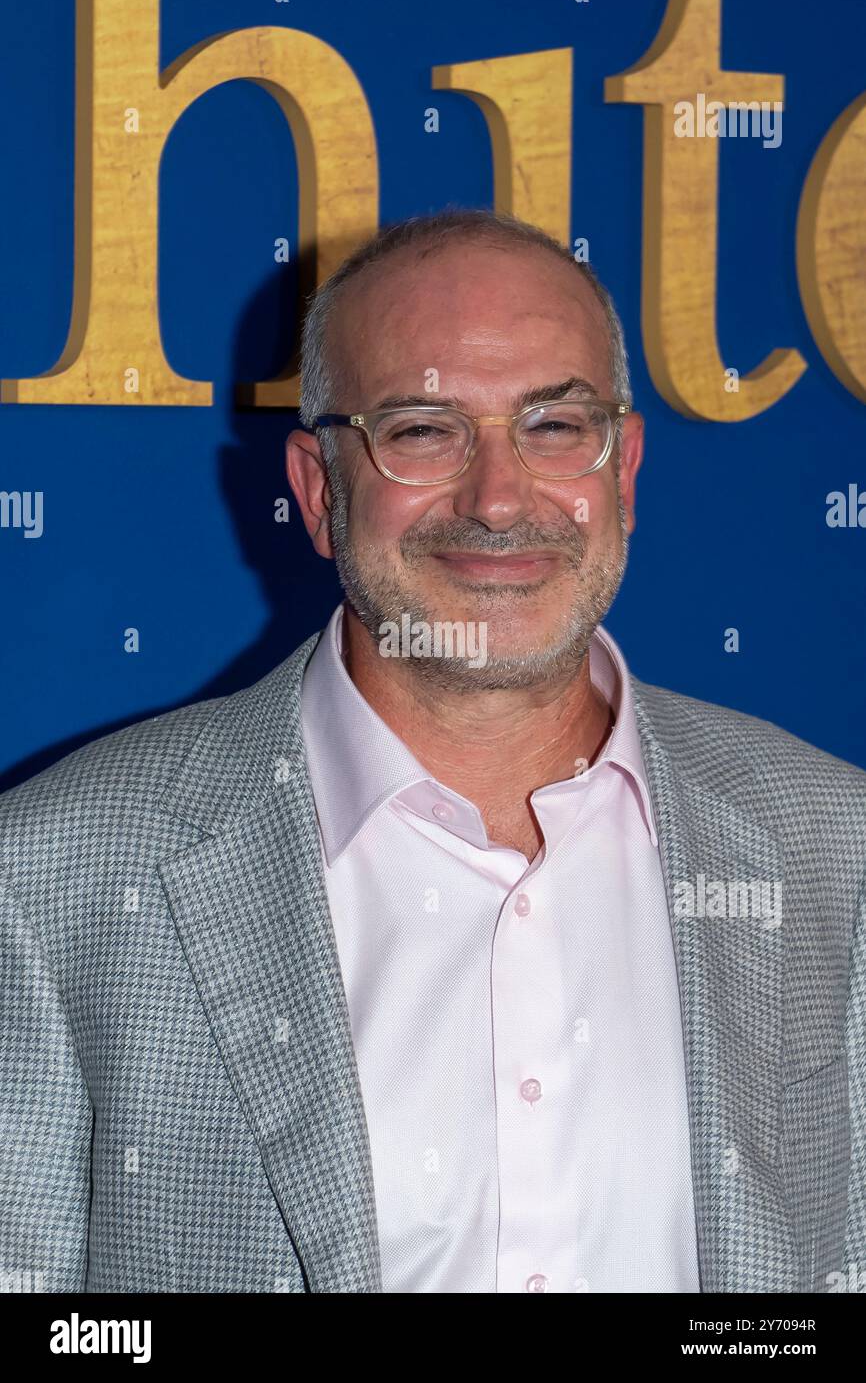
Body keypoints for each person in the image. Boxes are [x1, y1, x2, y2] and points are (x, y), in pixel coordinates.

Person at [1, 209, 864, 1294]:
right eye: (421, 429)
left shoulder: (837, 847)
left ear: (624, 471)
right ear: (319, 492)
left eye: (554, 426)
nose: (497, 499)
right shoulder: (50, 875)